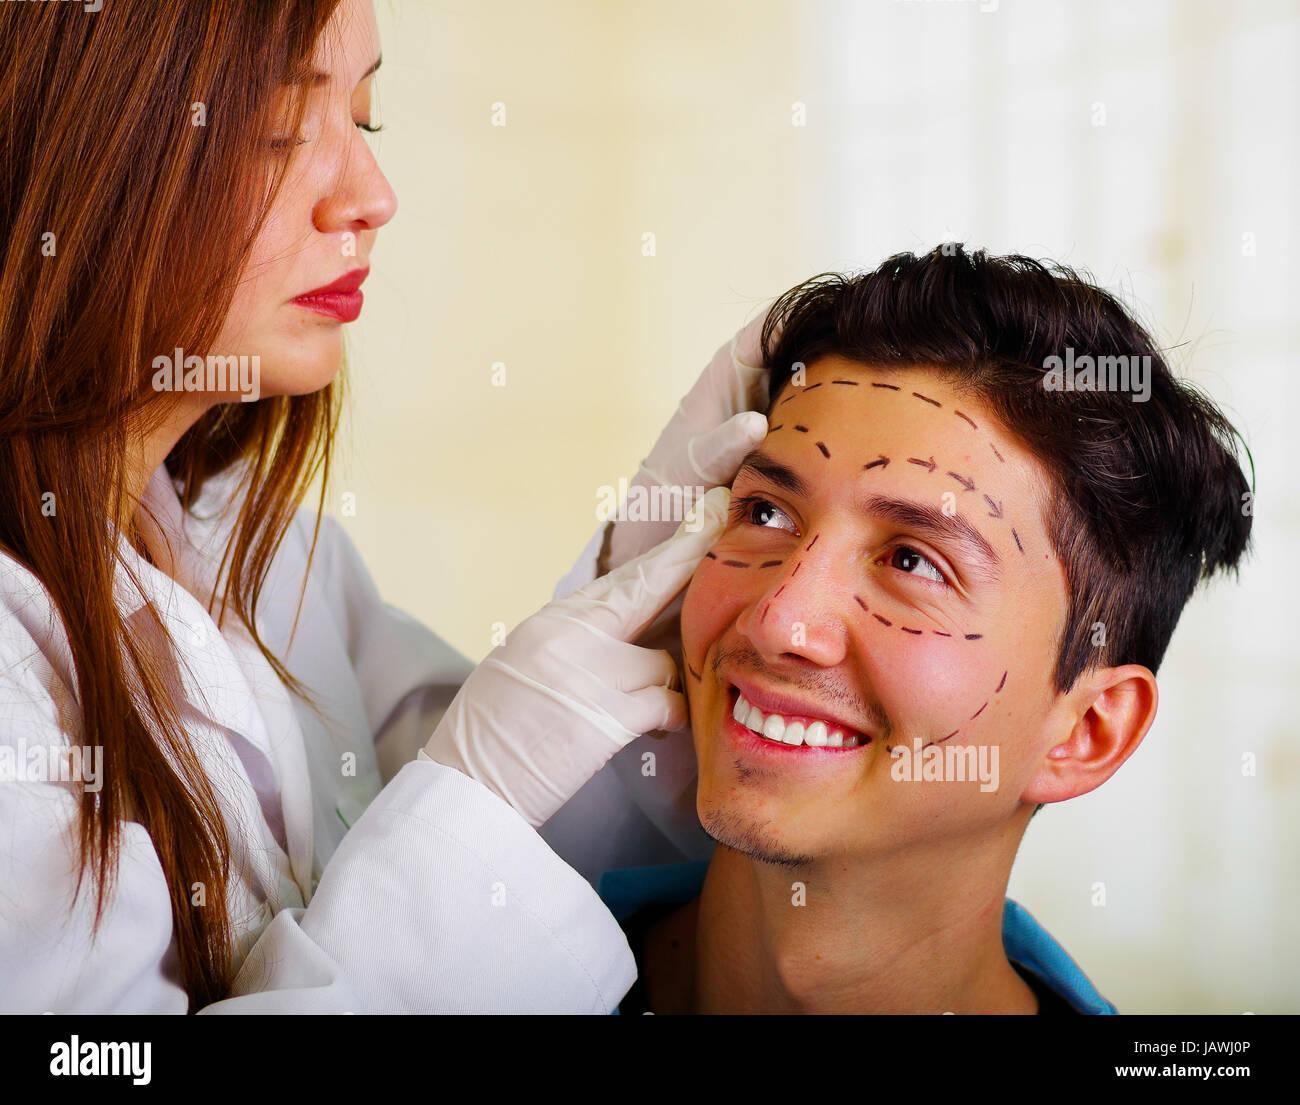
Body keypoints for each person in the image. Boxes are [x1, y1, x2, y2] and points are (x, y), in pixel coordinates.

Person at [0, 0, 769, 1013]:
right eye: (277, 128)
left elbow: (492, 846)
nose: (371, 196)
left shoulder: (269, 561)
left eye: (364, 119)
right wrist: (480, 796)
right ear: (67, 150)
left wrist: (643, 584)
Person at [549, 246, 1255, 1013]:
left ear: (1085, 730)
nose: (781, 618)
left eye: (914, 560)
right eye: (766, 512)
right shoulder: (477, 970)